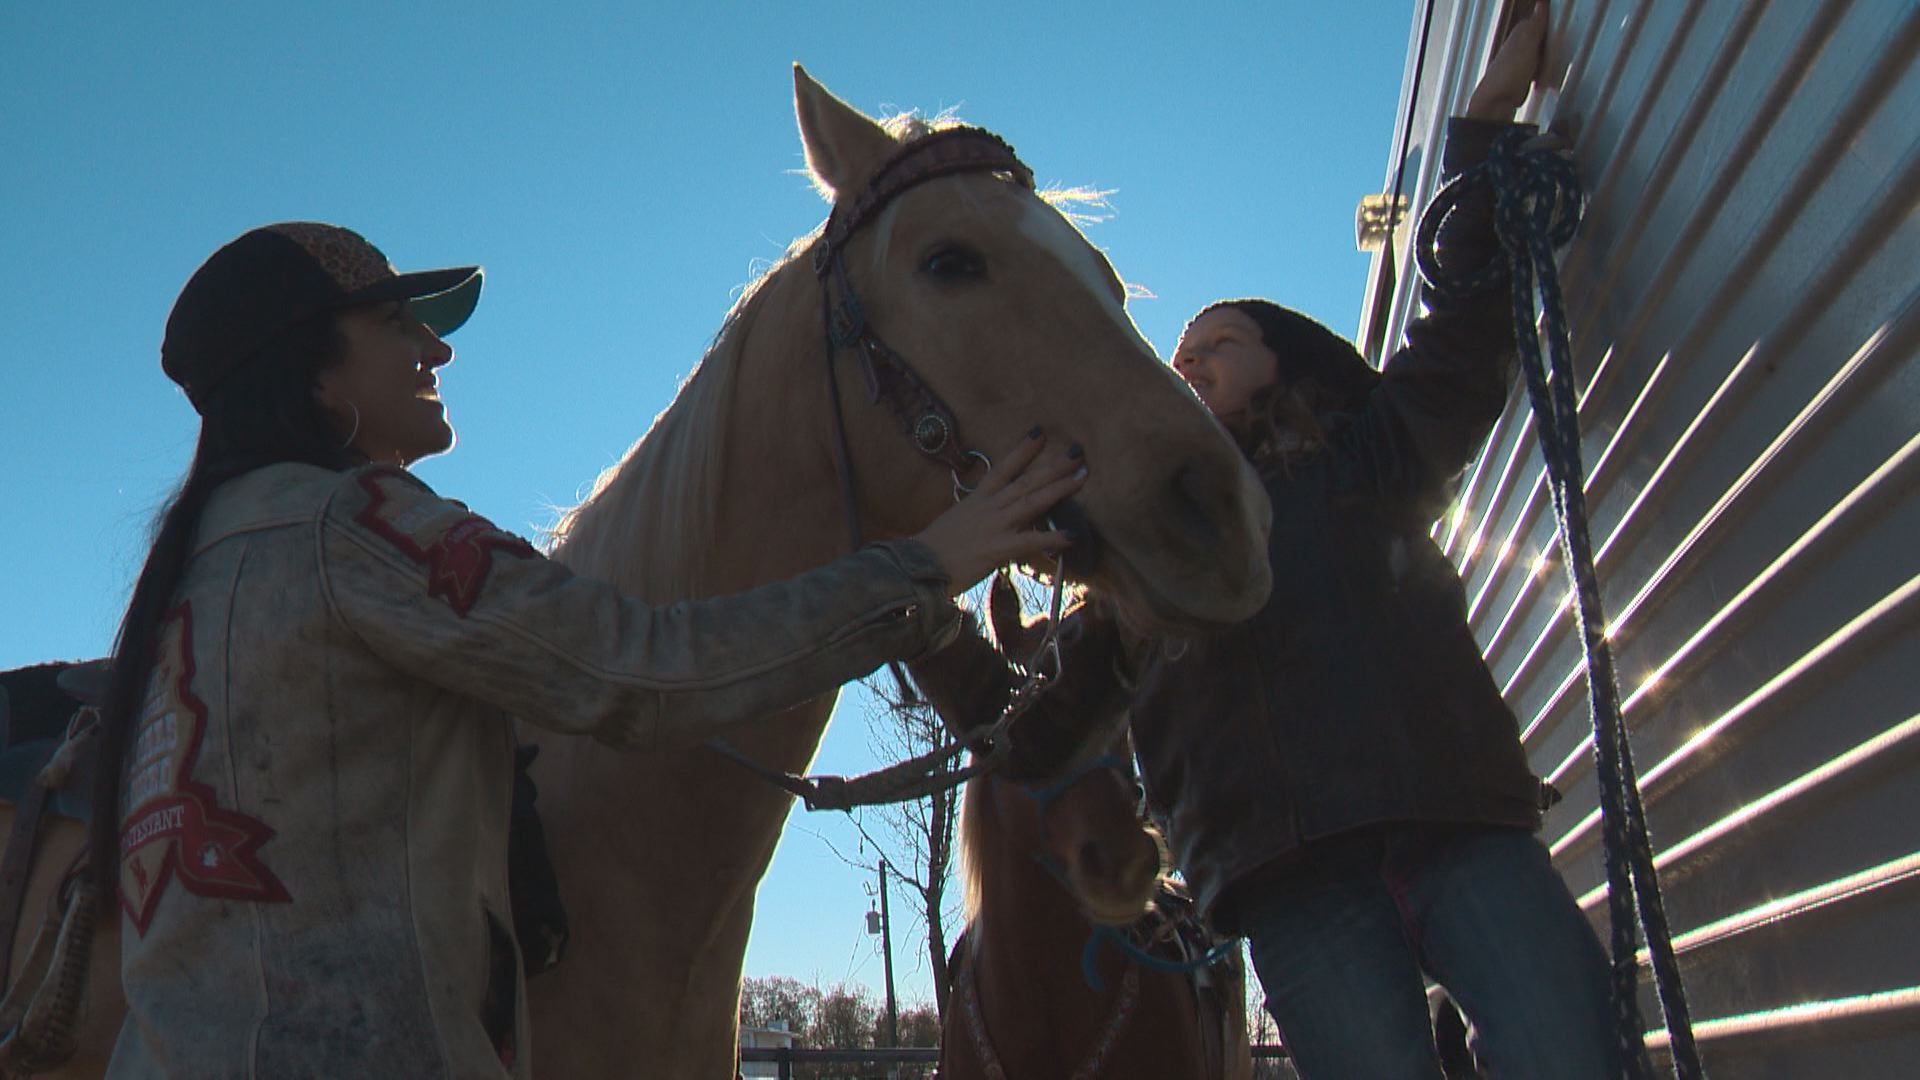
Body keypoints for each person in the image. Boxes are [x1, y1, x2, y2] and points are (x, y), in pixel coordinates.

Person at [93, 220, 1085, 1078]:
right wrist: (925, 565)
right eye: (397, 324)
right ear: (313, 368)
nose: (435, 348)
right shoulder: (361, 531)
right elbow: (644, 670)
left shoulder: (188, 582)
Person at [916, 5, 1620, 1077]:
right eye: (1180, 353)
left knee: (1568, 1052)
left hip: (1449, 819)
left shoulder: (1366, 458)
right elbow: (1036, 735)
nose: (1189, 360)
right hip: (1289, 885)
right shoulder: (1135, 560)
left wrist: (1480, 125)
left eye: (1221, 342)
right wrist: (915, 597)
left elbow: (1462, 339)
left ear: (1286, 365)